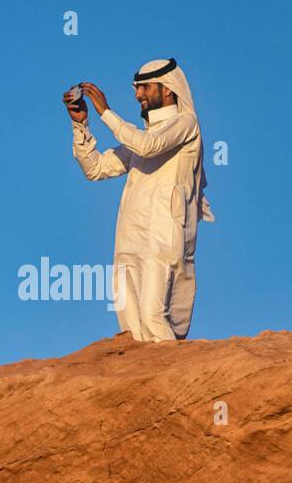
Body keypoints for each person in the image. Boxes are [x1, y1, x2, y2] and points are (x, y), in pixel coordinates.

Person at [64, 58, 214, 342]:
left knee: (154, 318)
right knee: (132, 329)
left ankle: (175, 382)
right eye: (136, 88)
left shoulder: (185, 124)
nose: (138, 95)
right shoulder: (140, 138)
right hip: (129, 239)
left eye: (144, 87)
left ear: (167, 89)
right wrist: (81, 127)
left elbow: (149, 146)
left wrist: (106, 112)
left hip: (164, 236)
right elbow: (96, 169)